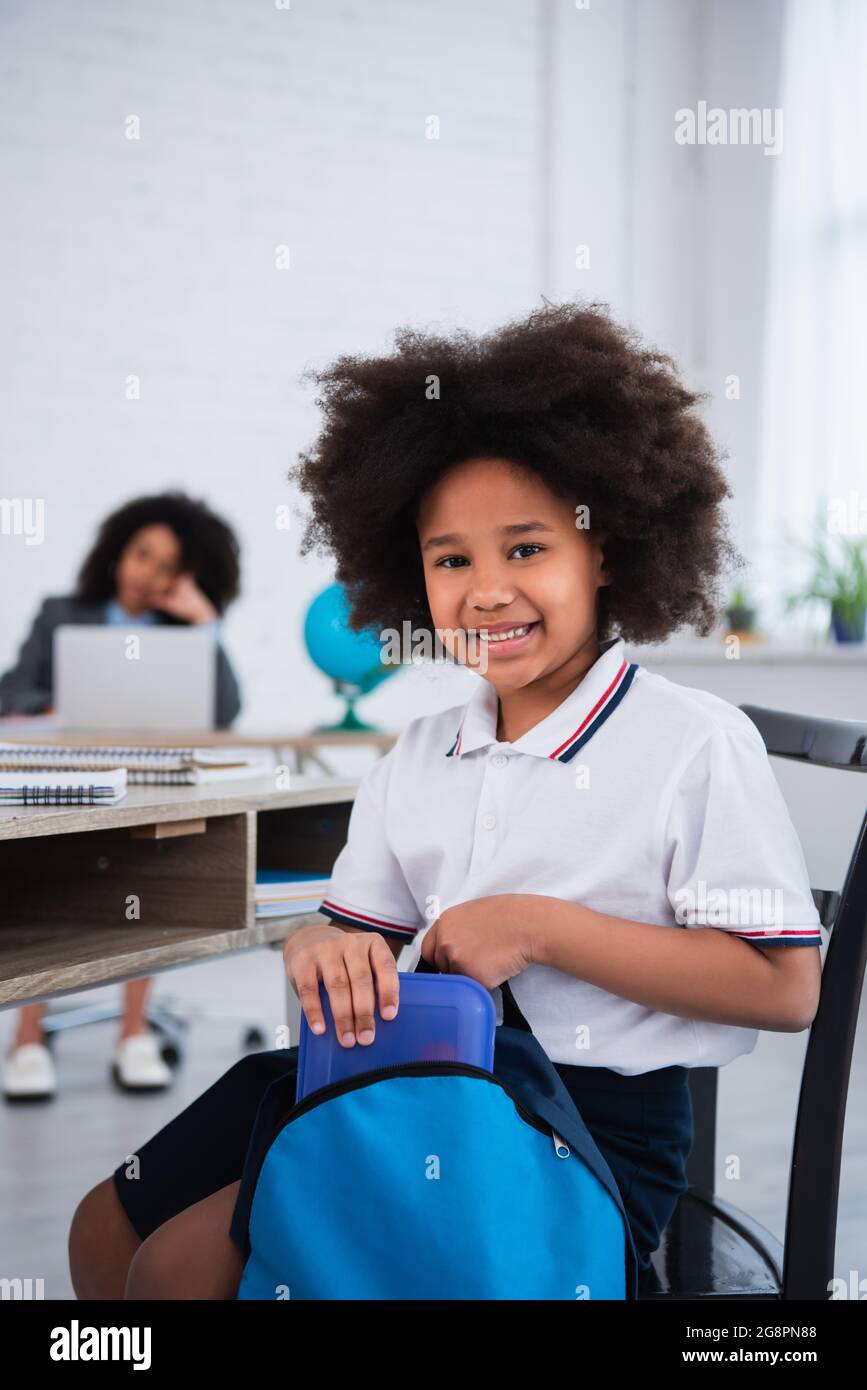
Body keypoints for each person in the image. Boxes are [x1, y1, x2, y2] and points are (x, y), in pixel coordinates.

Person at [68, 302, 822, 1300]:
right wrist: (317, 952)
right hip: (397, 1070)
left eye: (526, 548)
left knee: (175, 1269)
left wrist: (539, 928)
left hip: (579, 1122)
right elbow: (345, 936)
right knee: (105, 1224)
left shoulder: (691, 743)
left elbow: (784, 987)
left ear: (607, 548)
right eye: (450, 558)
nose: (486, 590)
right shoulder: (422, 752)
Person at [1, 491, 242, 1101]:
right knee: (46, 882)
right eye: (142, 555)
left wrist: (205, 624)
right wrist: (51, 708)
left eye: (167, 566)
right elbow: (13, 691)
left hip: (146, 781)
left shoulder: (180, 630)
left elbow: (225, 712)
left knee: (150, 887)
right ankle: (27, 1036)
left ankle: (134, 1030)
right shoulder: (63, 611)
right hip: (66, 779)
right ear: (117, 551)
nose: (148, 573)